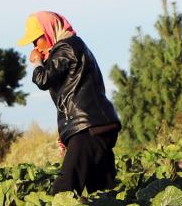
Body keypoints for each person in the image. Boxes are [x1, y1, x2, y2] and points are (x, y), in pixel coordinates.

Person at [21, 11, 122, 194]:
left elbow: (43, 79)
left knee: (64, 189)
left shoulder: (67, 47)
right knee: (102, 191)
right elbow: (69, 95)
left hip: (88, 129)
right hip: (98, 125)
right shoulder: (75, 48)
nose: (35, 46)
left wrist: (37, 63)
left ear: (50, 30)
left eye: (38, 39)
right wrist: (66, 132)